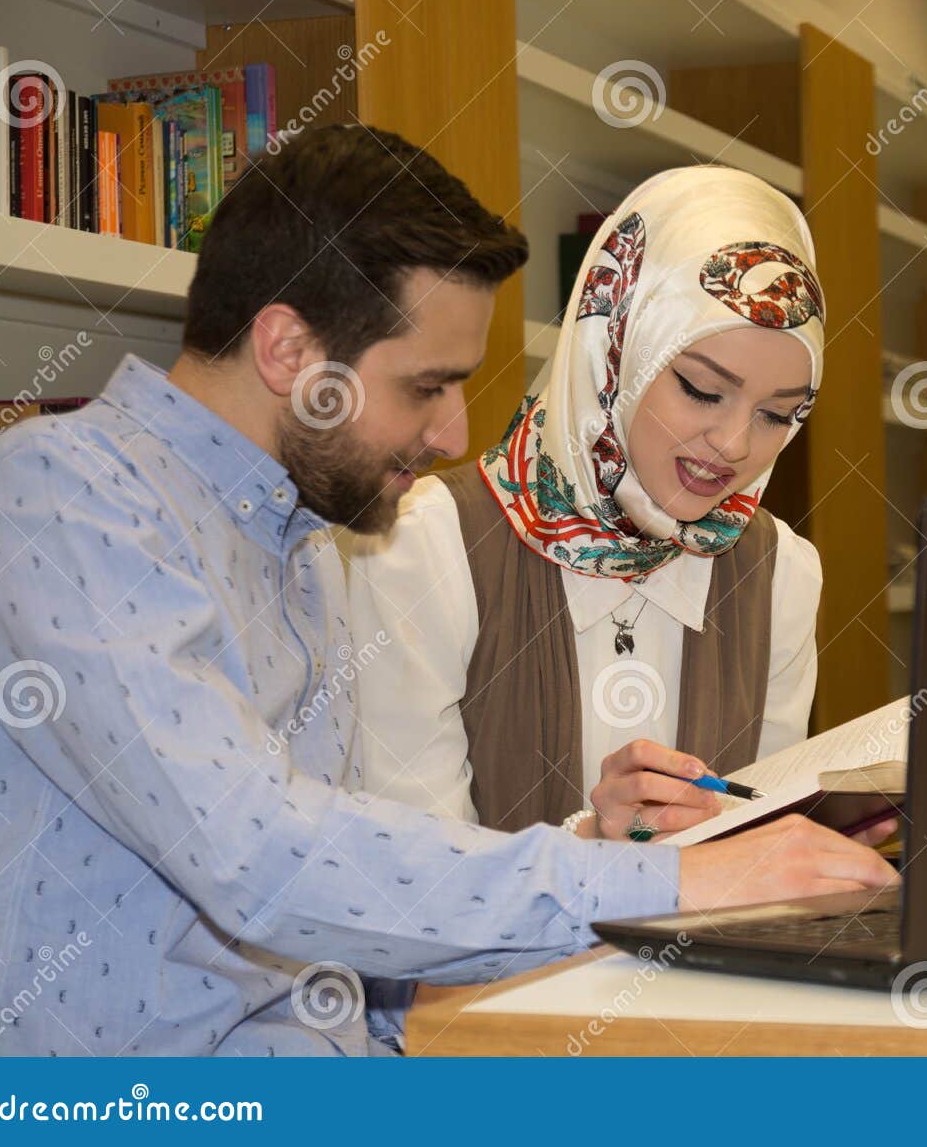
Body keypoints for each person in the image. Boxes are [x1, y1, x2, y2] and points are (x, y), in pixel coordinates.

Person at [0, 127, 897, 1057]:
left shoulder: (296, 543)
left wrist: (604, 843)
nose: (455, 434)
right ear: (289, 350)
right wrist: (685, 885)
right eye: (428, 387)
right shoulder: (62, 498)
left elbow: (362, 917)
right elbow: (262, 857)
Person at [345, 166, 826, 843]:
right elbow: (414, 886)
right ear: (614, 350)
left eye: (777, 415)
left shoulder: (781, 574)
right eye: (702, 389)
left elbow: (757, 854)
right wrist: (593, 846)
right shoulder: (426, 547)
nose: (735, 445)